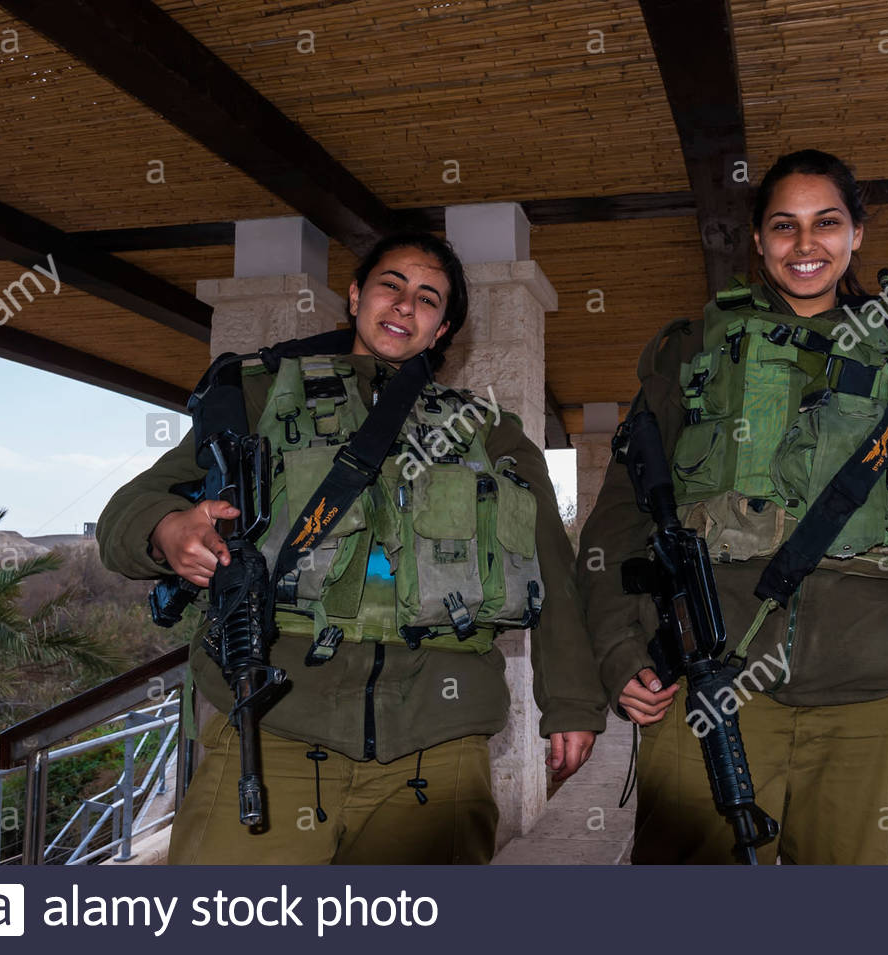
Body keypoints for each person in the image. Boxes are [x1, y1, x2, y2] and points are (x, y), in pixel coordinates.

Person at [98, 232, 606, 864]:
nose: (404, 305)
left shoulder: (486, 429)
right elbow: (129, 512)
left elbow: (551, 566)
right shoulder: (258, 397)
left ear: (443, 328)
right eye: (390, 285)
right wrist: (168, 531)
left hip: (439, 746)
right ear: (356, 294)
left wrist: (572, 702)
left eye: (427, 298)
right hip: (271, 725)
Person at [578, 150, 888, 865]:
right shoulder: (693, 351)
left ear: (857, 235)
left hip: (871, 707)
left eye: (826, 223)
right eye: (784, 225)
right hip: (711, 693)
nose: (805, 244)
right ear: (758, 239)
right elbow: (620, 521)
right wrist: (620, 652)